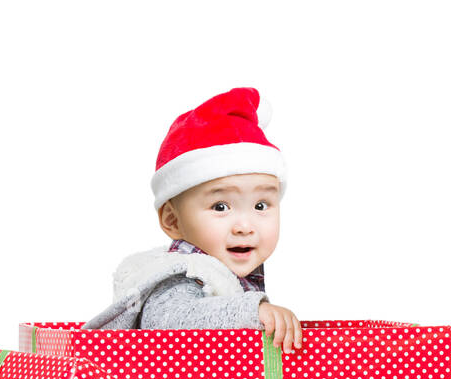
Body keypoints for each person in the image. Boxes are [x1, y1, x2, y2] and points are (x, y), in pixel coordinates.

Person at [85, 87, 303, 353]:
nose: (245, 227)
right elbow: (170, 322)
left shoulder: (227, 274)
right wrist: (252, 311)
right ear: (172, 221)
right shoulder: (183, 274)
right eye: (220, 206)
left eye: (261, 205)